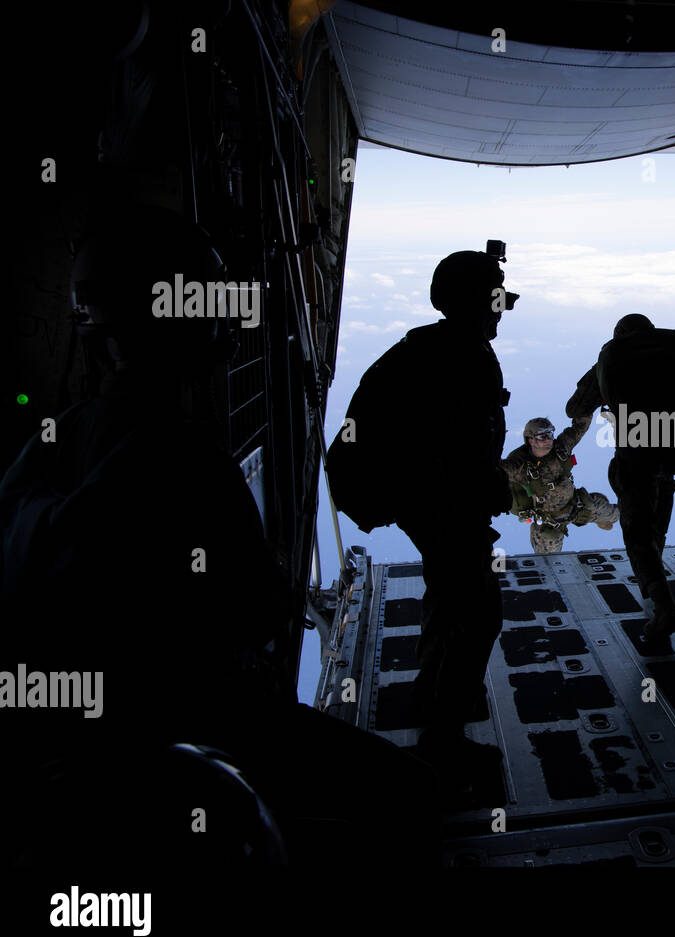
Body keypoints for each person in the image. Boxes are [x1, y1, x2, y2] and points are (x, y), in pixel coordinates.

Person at [0, 204, 438, 868]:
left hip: (89, 740)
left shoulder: (52, 443)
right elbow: (251, 608)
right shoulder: (174, 453)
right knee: (405, 791)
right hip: (172, 721)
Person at [325, 246, 516, 793]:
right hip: (435, 498)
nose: (501, 310)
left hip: (421, 497)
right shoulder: (461, 353)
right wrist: (484, 489)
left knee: (453, 601)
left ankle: (436, 706)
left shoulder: (432, 347)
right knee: (473, 614)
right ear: (479, 302)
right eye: (497, 299)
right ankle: (442, 739)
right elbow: (454, 447)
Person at [567, 314, 675, 643]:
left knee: (637, 526)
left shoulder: (608, 357)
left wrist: (603, 393)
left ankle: (663, 607)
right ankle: (658, 543)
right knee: (663, 481)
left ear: (619, 335)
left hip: (640, 447)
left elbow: (575, 409)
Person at [504, 415, 619, 554]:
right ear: (530, 440)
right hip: (549, 522)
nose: (548, 440)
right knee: (548, 562)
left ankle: (603, 520)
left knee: (619, 514)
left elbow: (580, 426)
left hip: (577, 505)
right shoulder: (519, 466)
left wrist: (589, 402)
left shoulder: (561, 448)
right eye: (542, 437)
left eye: (550, 434)